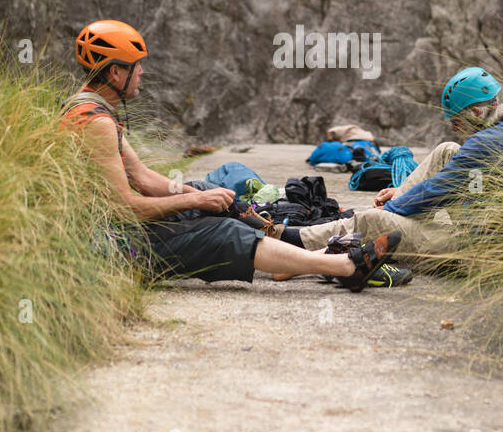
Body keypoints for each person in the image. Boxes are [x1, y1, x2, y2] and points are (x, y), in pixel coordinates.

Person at [60, 20, 400, 291]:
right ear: (115, 72)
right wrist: (197, 202)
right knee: (222, 232)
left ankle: (296, 258)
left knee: (201, 192)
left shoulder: (94, 110)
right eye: (137, 66)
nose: (142, 73)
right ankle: (344, 266)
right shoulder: (96, 123)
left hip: (114, 230)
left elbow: (145, 179)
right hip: (114, 248)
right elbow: (125, 208)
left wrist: (199, 196)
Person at [293, 66, 503, 266]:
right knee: (447, 150)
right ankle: (394, 198)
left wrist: (390, 210)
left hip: (477, 250)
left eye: (457, 123)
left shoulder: (483, 144)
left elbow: (434, 193)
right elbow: (452, 181)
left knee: (371, 221)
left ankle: (292, 239)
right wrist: (401, 192)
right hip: (485, 224)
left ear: (477, 114)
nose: (456, 130)